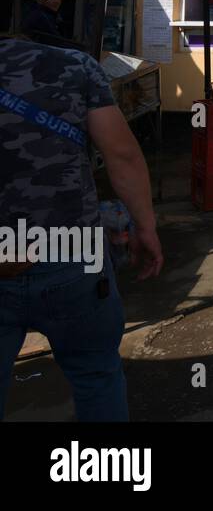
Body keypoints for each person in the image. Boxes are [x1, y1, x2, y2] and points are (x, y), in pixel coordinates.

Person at [0, 37, 164, 421]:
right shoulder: (74, 66)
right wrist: (146, 227)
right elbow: (121, 153)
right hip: (71, 254)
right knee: (96, 377)